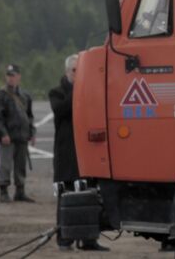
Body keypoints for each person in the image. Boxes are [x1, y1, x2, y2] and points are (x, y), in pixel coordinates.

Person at [49, 54, 109, 252]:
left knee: (89, 193)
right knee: (65, 195)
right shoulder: (56, 93)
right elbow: (62, 111)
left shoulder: (89, 92)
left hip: (86, 153)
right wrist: (77, 90)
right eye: (75, 71)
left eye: (80, 70)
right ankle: (64, 238)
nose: (78, 74)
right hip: (66, 153)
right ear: (67, 72)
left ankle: (88, 239)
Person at [0, 64, 36, 203]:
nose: (10, 78)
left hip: (22, 136)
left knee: (20, 165)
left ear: (19, 77)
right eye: (8, 75)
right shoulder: (0, 95)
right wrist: (3, 133)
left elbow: (29, 116)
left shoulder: (25, 96)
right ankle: (3, 191)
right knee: (5, 165)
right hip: (8, 137)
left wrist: (32, 132)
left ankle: (20, 191)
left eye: (13, 75)